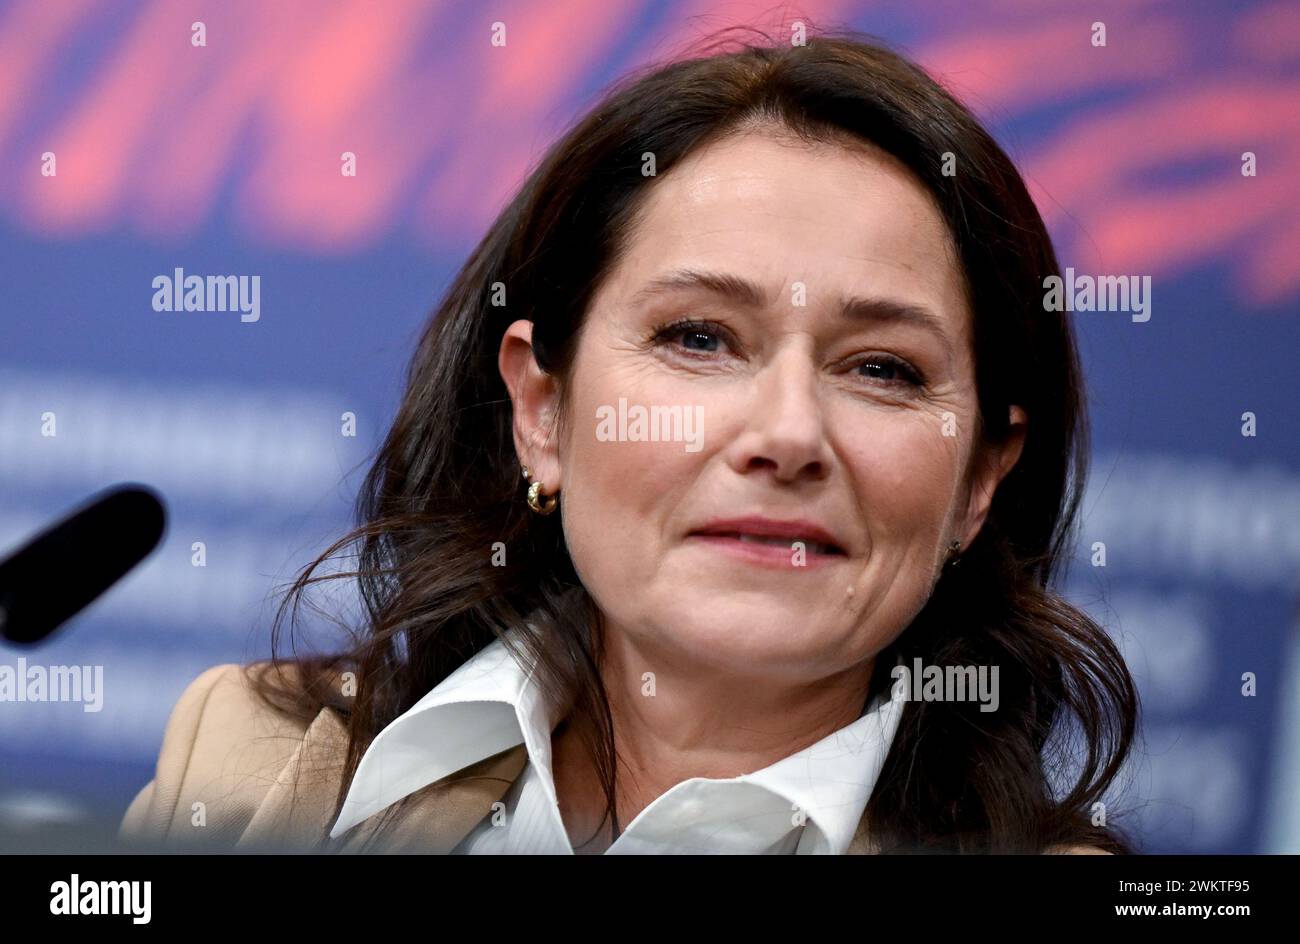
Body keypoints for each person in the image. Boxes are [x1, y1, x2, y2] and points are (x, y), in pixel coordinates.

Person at [119, 26, 1137, 855]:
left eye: (882, 368)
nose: (786, 435)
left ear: (978, 480)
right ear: (542, 412)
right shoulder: (252, 760)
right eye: (698, 338)